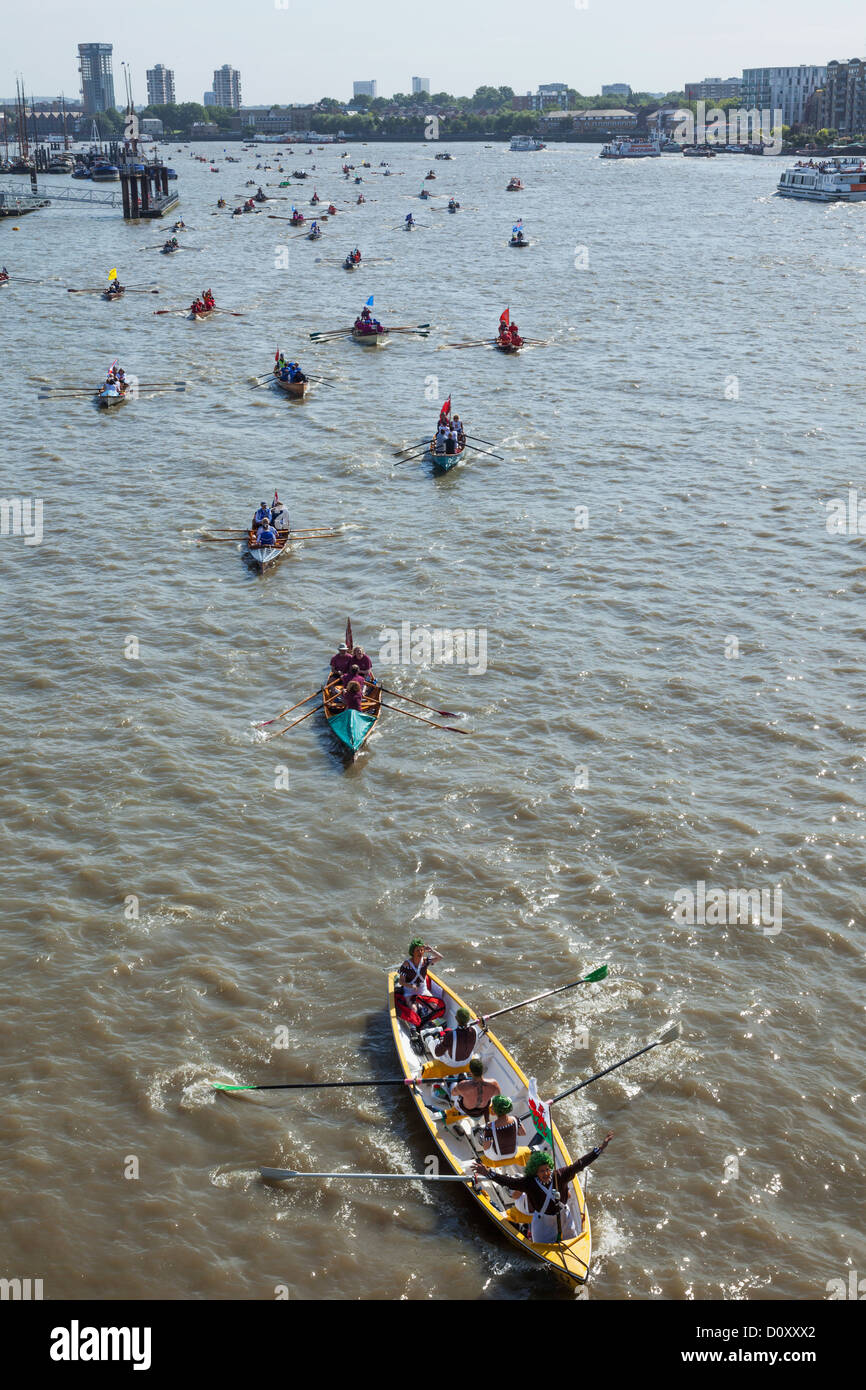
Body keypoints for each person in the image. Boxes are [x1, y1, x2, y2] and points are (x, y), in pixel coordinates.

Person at [476, 1133, 613, 1244]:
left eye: (547, 1169)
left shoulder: (561, 1175)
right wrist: (489, 1173)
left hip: (564, 1217)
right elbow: (509, 1182)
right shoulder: (529, 1183)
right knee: (541, 1246)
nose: (546, 1173)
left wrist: (599, 1149)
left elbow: (580, 1164)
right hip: (543, 1222)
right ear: (535, 1172)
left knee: (571, 1241)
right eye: (542, 1171)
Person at [420, 1007, 484, 1078]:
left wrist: (440, 1042)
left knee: (430, 1041)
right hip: (466, 1061)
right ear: (469, 1019)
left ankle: (427, 1043)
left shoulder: (451, 1035)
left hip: (452, 1064)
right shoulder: (474, 1030)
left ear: (456, 1018)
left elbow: (438, 1053)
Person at [395, 939, 445, 1028]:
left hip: (423, 989)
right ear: (412, 952)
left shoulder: (425, 961)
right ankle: (413, 1028)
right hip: (410, 991)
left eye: (422, 950)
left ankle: (425, 1022)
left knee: (434, 1006)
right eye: (417, 950)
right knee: (413, 1009)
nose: (420, 952)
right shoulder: (407, 964)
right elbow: (401, 981)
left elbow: (440, 957)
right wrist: (411, 985)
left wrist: (432, 950)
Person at [479, 1095, 529, 1169]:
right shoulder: (515, 1119)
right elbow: (522, 1133)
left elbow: (486, 1147)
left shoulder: (490, 1127)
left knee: (484, 1142)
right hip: (513, 1153)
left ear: (494, 1110)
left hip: (496, 1157)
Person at [446, 1055, 500, 1123]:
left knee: (453, 1084)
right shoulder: (494, 1084)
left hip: (463, 1110)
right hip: (480, 1112)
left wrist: (460, 1084)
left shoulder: (463, 1085)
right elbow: (498, 1098)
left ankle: (451, 1082)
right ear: (482, 1071)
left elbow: (453, 1093)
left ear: (471, 1072)